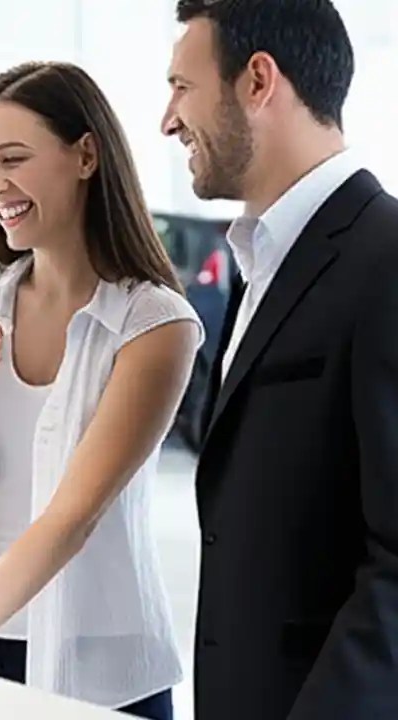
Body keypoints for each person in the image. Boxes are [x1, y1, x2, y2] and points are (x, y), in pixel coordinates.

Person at [0, 62, 201, 719]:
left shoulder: (155, 325)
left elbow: (68, 523)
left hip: (102, 661)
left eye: (13, 159)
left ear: (85, 154)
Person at [163, 2, 398, 718]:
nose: (168, 120)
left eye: (181, 86)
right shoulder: (260, 259)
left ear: (258, 81)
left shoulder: (386, 259)